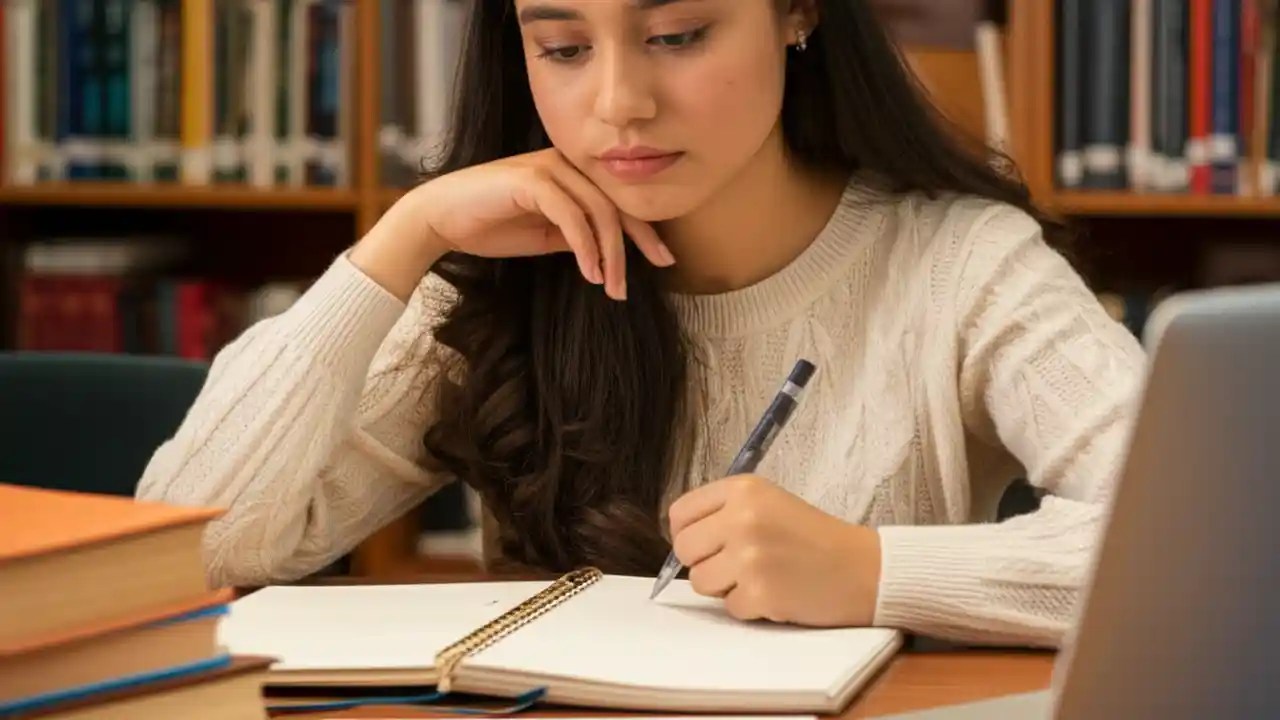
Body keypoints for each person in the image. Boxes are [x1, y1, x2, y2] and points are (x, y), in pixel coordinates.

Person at [135, 0, 1146, 649]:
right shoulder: (497, 270)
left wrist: (869, 569)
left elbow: (1196, 551)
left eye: (675, 36)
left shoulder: (960, 265)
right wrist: (402, 238)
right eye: (562, 47)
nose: (617, 102)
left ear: (795, 13)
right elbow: (185, 553)